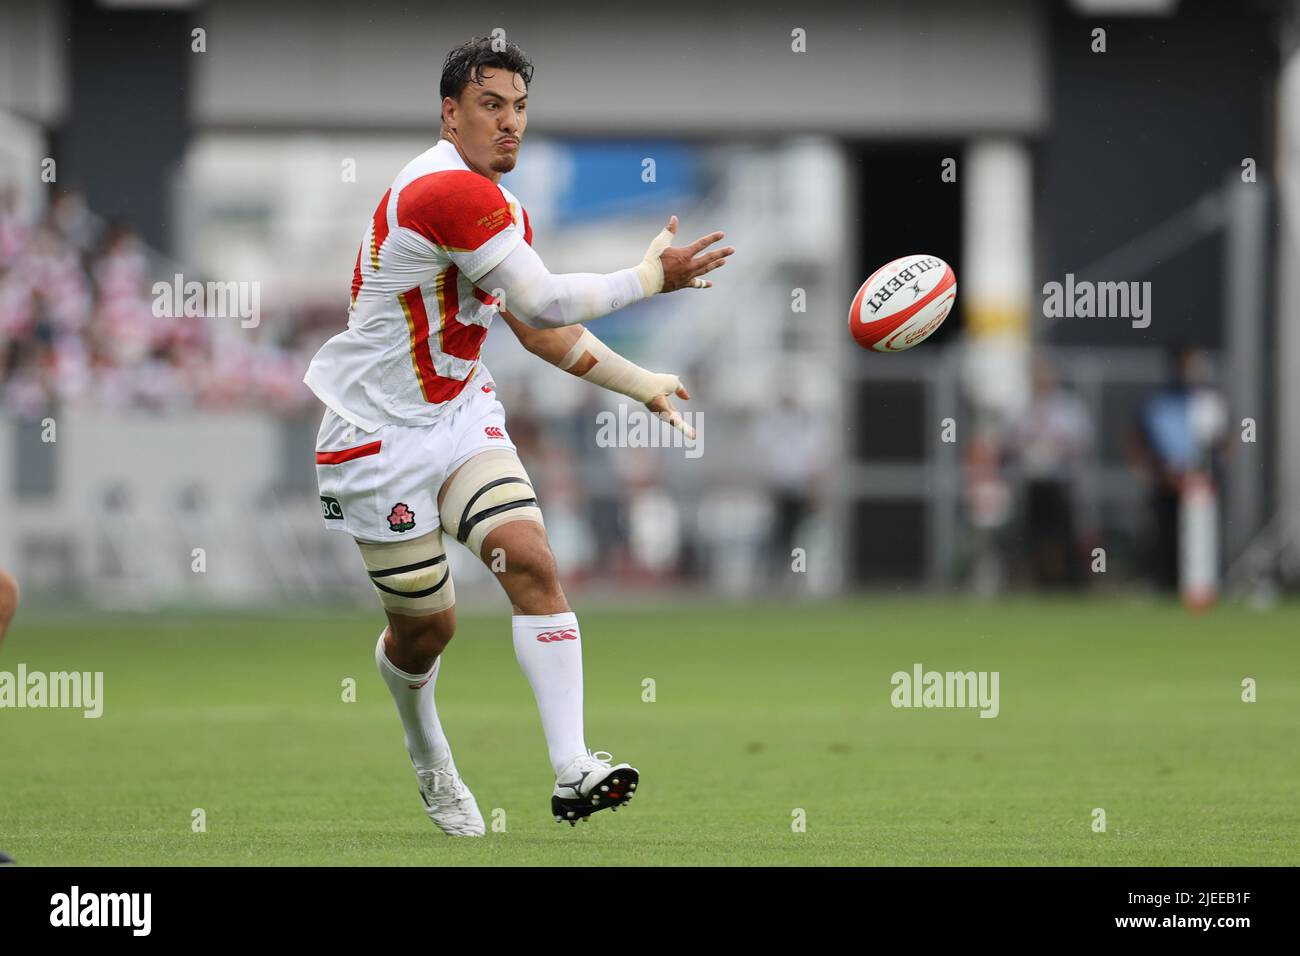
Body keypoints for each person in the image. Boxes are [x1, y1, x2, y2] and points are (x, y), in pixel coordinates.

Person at [302, 37, 733, 835]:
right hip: (374, 440)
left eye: (520, 108)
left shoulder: (495, 205)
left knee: (531, 559)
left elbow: (536, 331)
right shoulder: (444, 192)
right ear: (450, 114)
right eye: (491, 106)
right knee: (429, 629)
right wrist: (649, 279)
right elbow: (547, 301)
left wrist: (639, 384)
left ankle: (573, 766)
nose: (510, 124)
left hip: (460, 415)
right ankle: (427, 749)